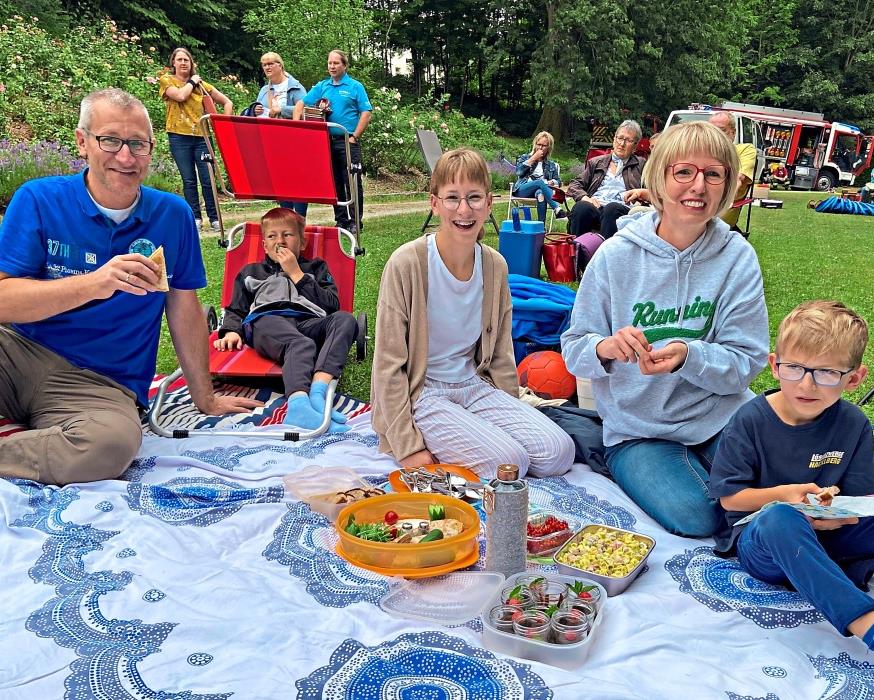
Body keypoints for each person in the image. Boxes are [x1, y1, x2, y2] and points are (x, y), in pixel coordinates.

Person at [0, 88, 260, 485]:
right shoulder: (38, 199)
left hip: (100, 383)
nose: (125, 157)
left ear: (151, 149)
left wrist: (204, 397)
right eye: (110, 140)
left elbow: (184, 308)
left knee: (110, 446)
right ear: (82, 142)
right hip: (18, 354)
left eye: (137, 144)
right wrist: (95, 283)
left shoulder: (172, 215)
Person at [561, 121, 769, 537]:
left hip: (721, 415)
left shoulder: (737, 257)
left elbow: (747, 360)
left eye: (713, 174)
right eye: (684, 171)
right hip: (639, 430)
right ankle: (648, 467)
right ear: (659, 177)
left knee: (793, 480)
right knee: (698, 516)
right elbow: (573, 348)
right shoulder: (615, 256)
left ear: (727, 185)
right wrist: (606, 347)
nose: (698, 186)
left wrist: (690, 356)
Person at [371, 148, 574, 479]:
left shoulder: (494, 265)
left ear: (489, 203)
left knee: (558, 452)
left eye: (474, 197)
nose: (464, 210)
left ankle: (471, 434)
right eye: (452, 198)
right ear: (434, 203)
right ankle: (452, 436)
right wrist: (407, 446)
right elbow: (388, 363)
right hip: (424, 392)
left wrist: (509, 413)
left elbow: (501, 353)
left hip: (473, 385)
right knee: (508, 463)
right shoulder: (407, 264)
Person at [709, 300, 874, 649]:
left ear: (854, 379)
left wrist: (836, 515)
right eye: (794, 368)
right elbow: (730, 498)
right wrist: (784, 497)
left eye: (826, 373)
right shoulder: (750, 421)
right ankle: (864, 621)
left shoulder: (854, 424)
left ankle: (829, 568)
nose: (807, 385)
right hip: (765, 541)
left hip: (830, 533)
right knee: (779, 518)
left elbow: (860, 500)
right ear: (774, 365)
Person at [213, 207, 357, 433]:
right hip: (267, 320)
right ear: (264, 245)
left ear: (302, 242)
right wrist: (231, 330)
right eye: (272, 236)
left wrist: (297, 274)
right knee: (300, 344)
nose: (280, 241)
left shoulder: (316, 268)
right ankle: (298, 407)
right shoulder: (251, 272)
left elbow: (332, 305)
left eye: (287, 235)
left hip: (308, 321)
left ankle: (317, 394)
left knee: (345, 319)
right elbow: (236, 308)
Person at [293, 49, 372, 234]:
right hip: (326, 142)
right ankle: (341, 220)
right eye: (330, 63)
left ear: (345, 65)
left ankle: (355, 221)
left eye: (336, 63)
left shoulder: (355, 86)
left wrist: (354, 137)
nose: (332, 66)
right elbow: (301, 104)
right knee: (334, 183)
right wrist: (297, 126)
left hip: (347, 141)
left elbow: (366, 113)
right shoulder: (323, 86)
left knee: (351, 181)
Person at [159, 47, 233, 231]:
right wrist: (192, 81)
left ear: (191, 63)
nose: (183, 63)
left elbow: (227, 102)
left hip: (202, 137)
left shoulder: (202, 85)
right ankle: (195, 218)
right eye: (180, 60)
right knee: (189, 180)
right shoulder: (167, 80)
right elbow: (180, 96)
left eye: (186, 60)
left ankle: (215, 219)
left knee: (208, 180)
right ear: (173, 63)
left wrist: (223, 125)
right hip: (178, 136)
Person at [251, 51, 309, 218]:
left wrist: (282, 110)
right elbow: (257, 111)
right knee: (280, 179)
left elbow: (306, 110)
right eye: (264, 65)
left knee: (297, 179)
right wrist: (255, 110)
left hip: (293, 141)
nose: (267, 67)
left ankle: (300, 217)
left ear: (280, 65)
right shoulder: (264, 90)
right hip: (272, 141)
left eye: (271, 64)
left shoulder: (295, 87)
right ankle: (286, 216)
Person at [566, 120, 646, 239]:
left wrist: (640, 196)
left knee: (611, 208)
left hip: (621, 209)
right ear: (614, 139)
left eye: (628, 140)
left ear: (635, 146)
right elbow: (575, 184)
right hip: (596, 205)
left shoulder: (641, 165)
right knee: (581, 207)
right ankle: (578, 248)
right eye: (620, 138)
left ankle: (607, 250)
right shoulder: (597, 162)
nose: (622, 144)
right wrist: (585, 198)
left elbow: (653, 191)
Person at [708, 111, 756, 230]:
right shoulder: (700, 152)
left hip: (721, 220)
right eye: (711, 131)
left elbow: (739, 178)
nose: (716, 135)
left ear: (733, 133)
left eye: (721, 130)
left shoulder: (744, 150)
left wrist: (724, 204)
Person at [512, 131, 568, 223]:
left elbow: (558, 181)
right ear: (535, 144)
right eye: (539, 144)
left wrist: (552, 182)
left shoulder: (551, 165)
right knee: (540, 182)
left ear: (548, 147)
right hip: (522, 190)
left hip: (539, 191)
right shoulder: (525, 157)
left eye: (544, 145)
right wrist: (533, 158)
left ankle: (541, 226)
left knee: (541, 193)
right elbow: (519, 172)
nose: (540, 147)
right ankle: (557, 210)